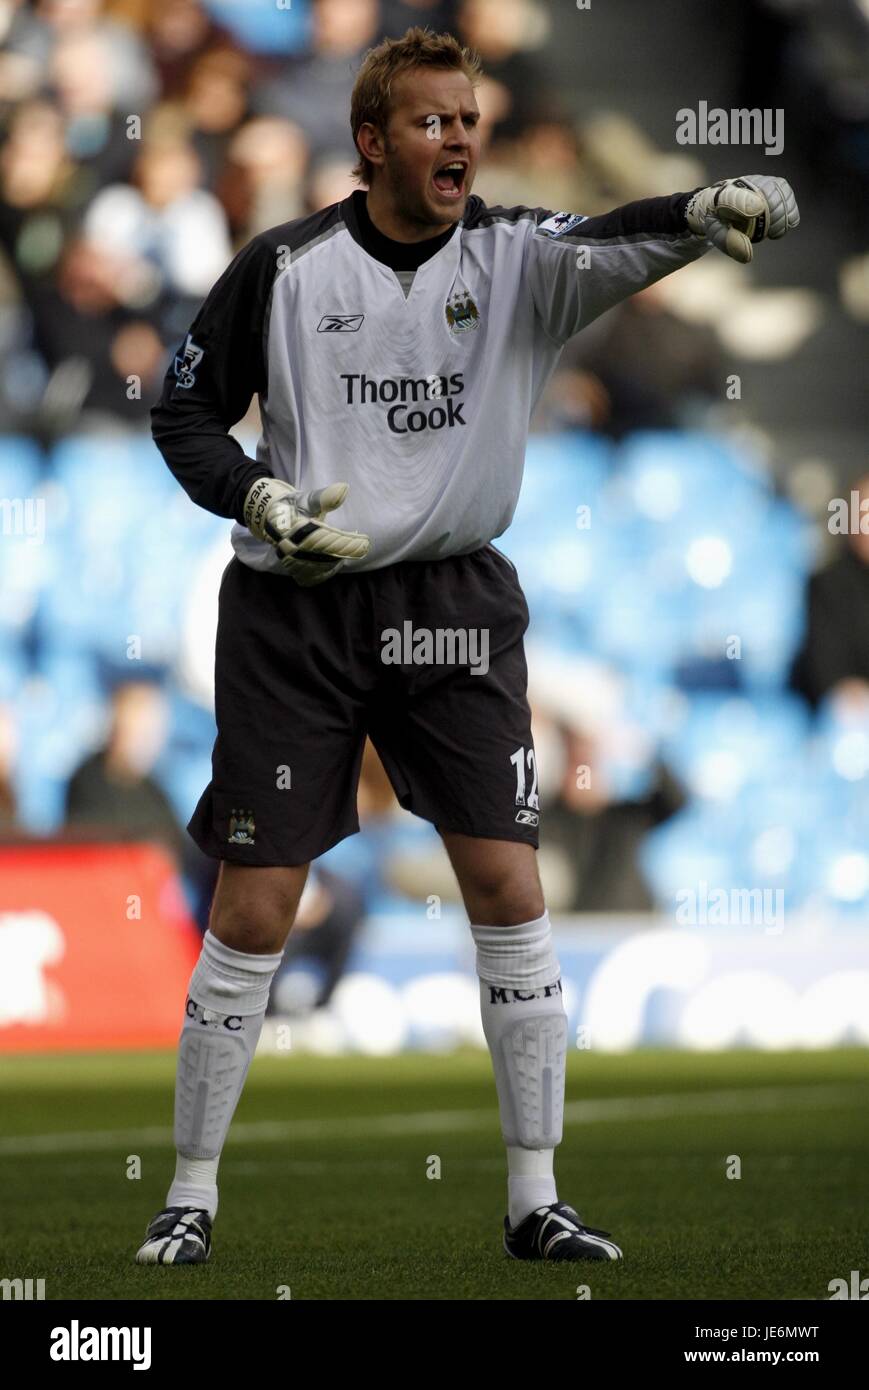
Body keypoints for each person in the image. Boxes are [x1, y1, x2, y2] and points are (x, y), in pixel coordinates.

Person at [137, 25, 799, 1268]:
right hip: (296, 611)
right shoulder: (282, 269)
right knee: (256, 901)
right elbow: (182, 408)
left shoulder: (516, 257)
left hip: (451, 606)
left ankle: (533, 1199)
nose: (459, 139)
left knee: (506, 883)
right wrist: (254, 497)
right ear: (371, 141)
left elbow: (621, 236)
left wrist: (706, 205)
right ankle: (188, 1193)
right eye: (434, 121)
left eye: (469, 118)